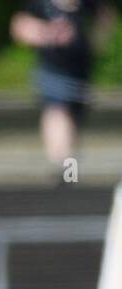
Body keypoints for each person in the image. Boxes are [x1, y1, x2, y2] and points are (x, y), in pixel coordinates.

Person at [11, 0, 118, 174]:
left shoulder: (88, 4)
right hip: (52, 73)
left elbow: (107, 18)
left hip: (80, 75)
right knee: (57, 113)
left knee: (73, 125)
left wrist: (95, 41)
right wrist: (46, 34)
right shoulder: (41, 5)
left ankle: (69, 171)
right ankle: (61, 167)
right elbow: (20, 27)